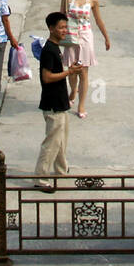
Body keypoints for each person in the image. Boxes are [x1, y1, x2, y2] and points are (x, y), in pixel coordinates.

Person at [35, 11, 86, 191]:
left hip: (60, 101)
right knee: (52, 142)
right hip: (52, 103)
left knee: (61, 139)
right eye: (61, 27)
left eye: (66, 27)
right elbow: (47, 77)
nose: (64, 30)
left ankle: (61, 169)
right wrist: (69, 73)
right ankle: (41, 178)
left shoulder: (56, 47)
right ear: (51, 29)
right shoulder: (49, 50)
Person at [60, 0, 111, 119]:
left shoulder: (93, 0)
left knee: (83, 71)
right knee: (71, 69)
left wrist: (106, 37)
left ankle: (81, 104)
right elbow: (61, 16)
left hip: (85, 37)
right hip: (70, 36)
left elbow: (98, 20)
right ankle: (72, 90)